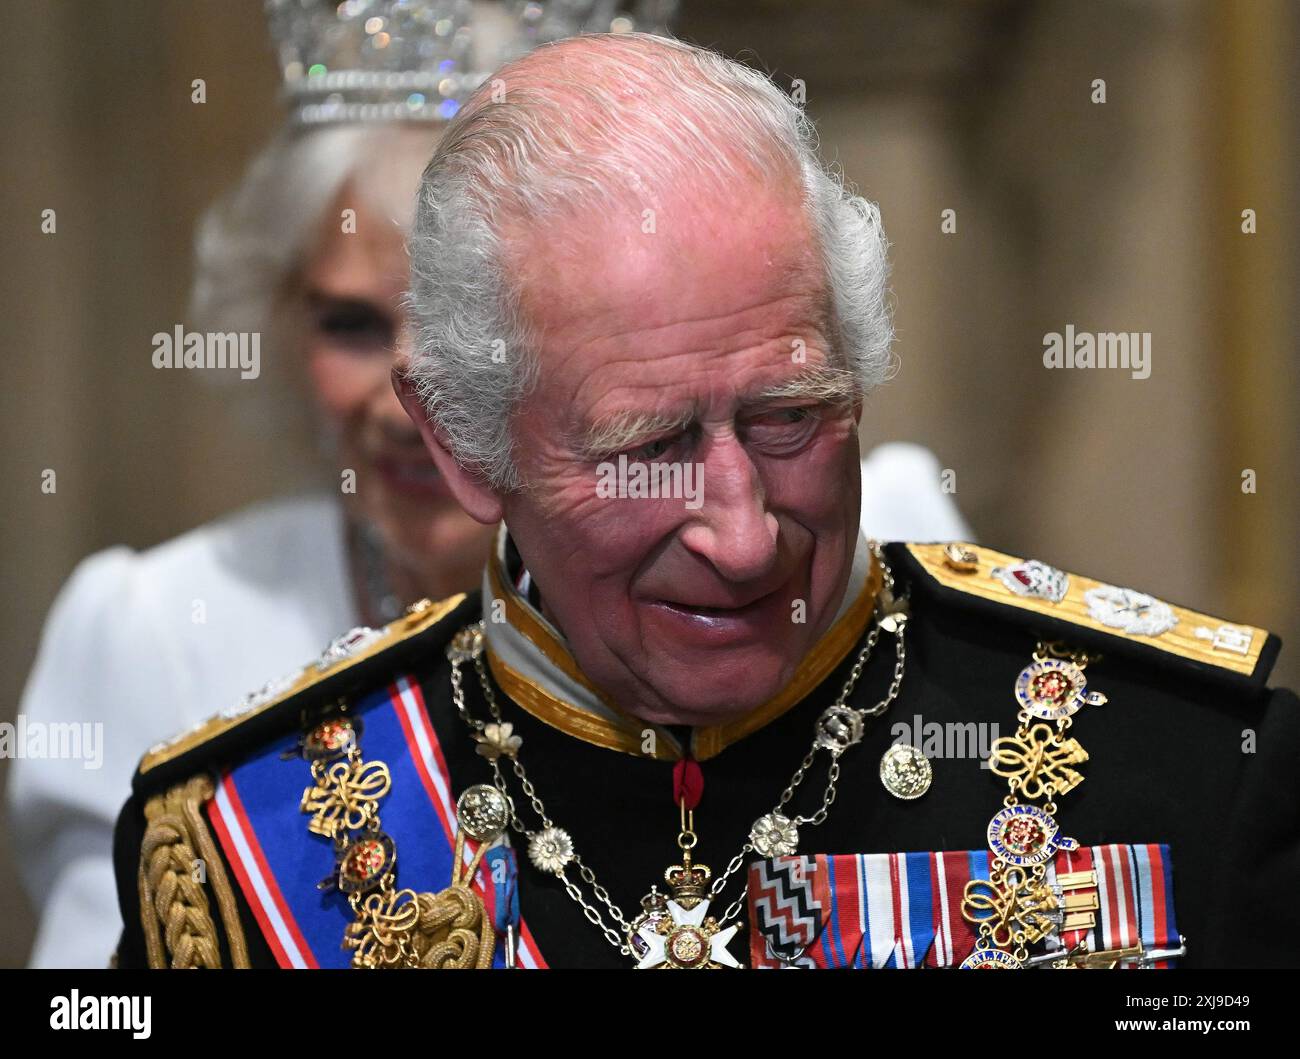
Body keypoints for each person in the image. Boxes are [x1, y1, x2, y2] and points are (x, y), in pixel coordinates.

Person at [104, 33, 1214, 973]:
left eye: (790, 417)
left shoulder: (1183, 763)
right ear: (461, 442)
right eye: (648, 445)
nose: (742, 540)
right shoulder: (246, 850)